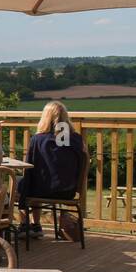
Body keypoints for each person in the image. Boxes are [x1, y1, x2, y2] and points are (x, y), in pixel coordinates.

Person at [18, 101, 86, 238]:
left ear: (45, 118)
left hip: (42, 191)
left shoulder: (37, 140)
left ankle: (28, 225)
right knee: (31, 182)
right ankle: (35, 225)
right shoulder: (76, 139)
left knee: (20, 183)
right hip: (68, 191)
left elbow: (29, 168)